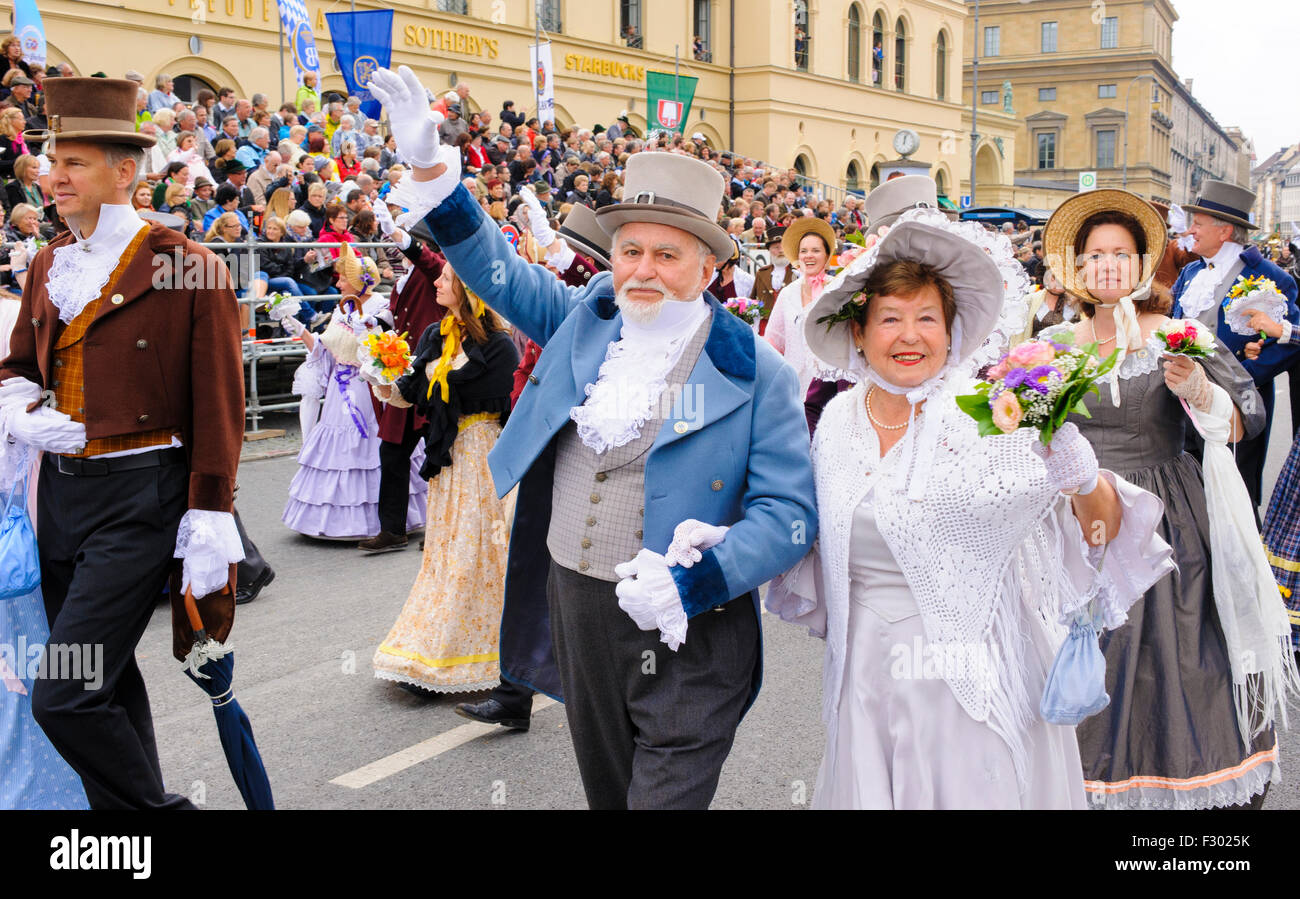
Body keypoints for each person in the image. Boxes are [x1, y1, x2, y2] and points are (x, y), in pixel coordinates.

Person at [371, 64, 816, 809]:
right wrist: (431, 169)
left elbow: (789, 516)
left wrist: (693, 579)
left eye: (667, 255)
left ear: (708, 265)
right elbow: (498, 271)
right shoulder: (591, 316)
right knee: (611, 794)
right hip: (576, 605)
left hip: (690, 630)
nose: (642, 270)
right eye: (630, 250)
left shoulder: (755, 370)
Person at [766, 207, 1170, 808]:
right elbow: (805, 532)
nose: (910, 336)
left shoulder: (990, 415)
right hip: (865, 669)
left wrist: (1077, 470)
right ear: (859, 332)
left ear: (951, 332)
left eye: (927, 318)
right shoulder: (838, 425)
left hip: (969, 673)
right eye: (890, 319)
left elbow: (1101, 527)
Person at [0, 77, 244, 809]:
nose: (54, 176)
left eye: (73, 162)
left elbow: (221, 402)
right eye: (50, 160)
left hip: (142, 495)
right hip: (63, 497)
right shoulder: (49, 262)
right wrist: (18, 408)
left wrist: (210, 513)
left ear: (126, 171)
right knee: (103, 682)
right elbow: (16, 364)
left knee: (64, 695)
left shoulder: (185, 263)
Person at [1040, 188, 1297, 809]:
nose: (1108, 264)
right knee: (1066, 649)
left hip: (1165, 514)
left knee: (1171, 654)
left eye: (1121, 253)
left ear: (1142, 263)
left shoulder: (1178, 335)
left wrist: (1202, 391)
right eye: (1095, 253)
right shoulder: (1052, 343)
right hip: (1070, 513)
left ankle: (1171, 793)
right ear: (1077, 267)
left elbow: (1248, 417)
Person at [371, 261, 519, 692]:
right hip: (449, 463)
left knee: (478, 552)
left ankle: (479, 651)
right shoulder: (435, 335)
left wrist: (424, 379)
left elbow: (479, 396)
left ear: (469, 291)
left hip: (481, 456)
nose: (436, 282)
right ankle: (432, 645)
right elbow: (415, 391)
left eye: (447, 278)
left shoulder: (498, 346)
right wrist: (386, 378)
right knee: (446, 550)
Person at [280, 245, 427, 539]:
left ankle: (381, 521)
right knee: (337, 450)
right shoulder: (342, 307)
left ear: (359, 280)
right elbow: (326, 352)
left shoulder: (378, 306)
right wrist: (299, 329)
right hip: (338, 391)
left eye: (342, 279)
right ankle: (333, 520)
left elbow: (386, 350)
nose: (337, 284)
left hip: (366, 389)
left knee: (371, 449)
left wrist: (365, 333)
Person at [1170, 180, 1300, 510]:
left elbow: (1290, 341)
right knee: (1189, 493)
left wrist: (1240, 378)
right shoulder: (1189, 274)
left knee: (1234, 500)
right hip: (1180, 404)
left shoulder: (1270, 277)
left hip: (1236, 408)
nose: (1191, 231)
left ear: (1224, 231)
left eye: (1198, 224)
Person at [765, 216, 836, 398]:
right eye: (803, 251)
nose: (808, 256)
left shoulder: (838, 290)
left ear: (827, 255)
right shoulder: (787, 293)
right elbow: (773, 340)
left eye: (815, 250)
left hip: (827, 386)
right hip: (792, 386)